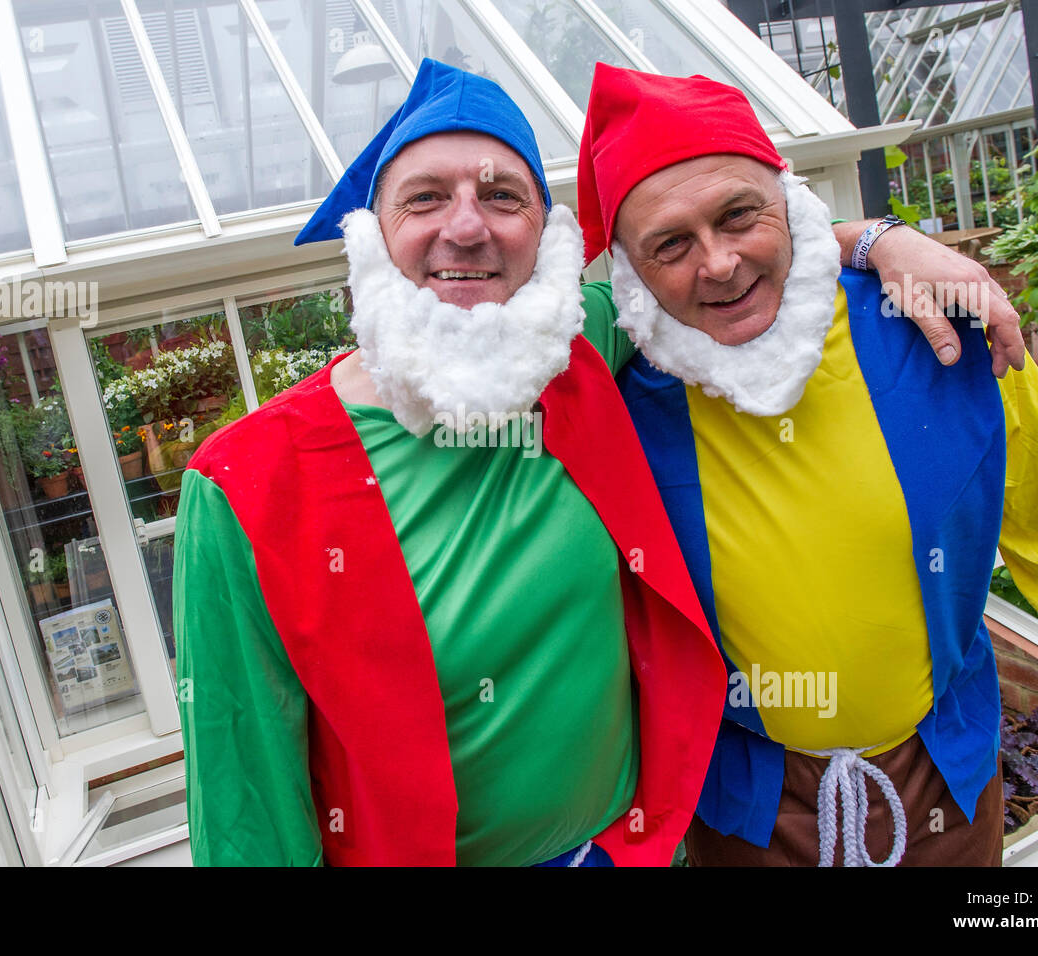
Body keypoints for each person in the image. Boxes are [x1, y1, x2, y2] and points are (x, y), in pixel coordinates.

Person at [576, 63, 1038, 866]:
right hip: (748, 808)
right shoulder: (615, 401)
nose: (721, 264)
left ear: (791, 204)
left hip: (945, 777)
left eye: (741, 216)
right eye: (671, 245)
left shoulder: (937, 330)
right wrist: (874, 234)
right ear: (630, 277)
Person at [174, 57, 728, 867]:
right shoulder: (243, 485)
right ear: (373, 234)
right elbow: (245, 796)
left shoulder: (576, 359)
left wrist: (881, 243)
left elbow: (727, 272)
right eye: (426, 196)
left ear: (548, 237)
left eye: (503, 196)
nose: (466, 227)